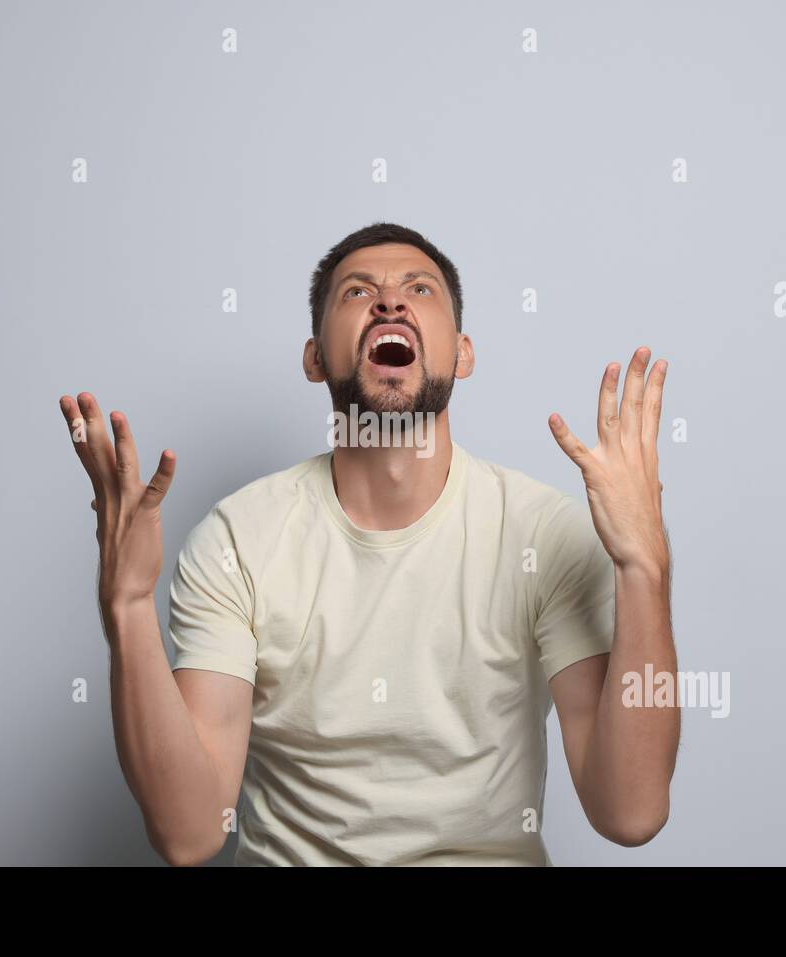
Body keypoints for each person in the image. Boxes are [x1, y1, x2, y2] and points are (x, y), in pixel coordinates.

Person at [57, 222, 679, 866]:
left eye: (419, 288)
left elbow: (630, 811)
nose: (389, 301)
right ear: (315, 357)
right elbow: (189, 834)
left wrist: (645, 567)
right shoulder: (238, 540)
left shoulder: (542, 533)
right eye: (358, 292)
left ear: (463, 352)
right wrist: (128, 607)